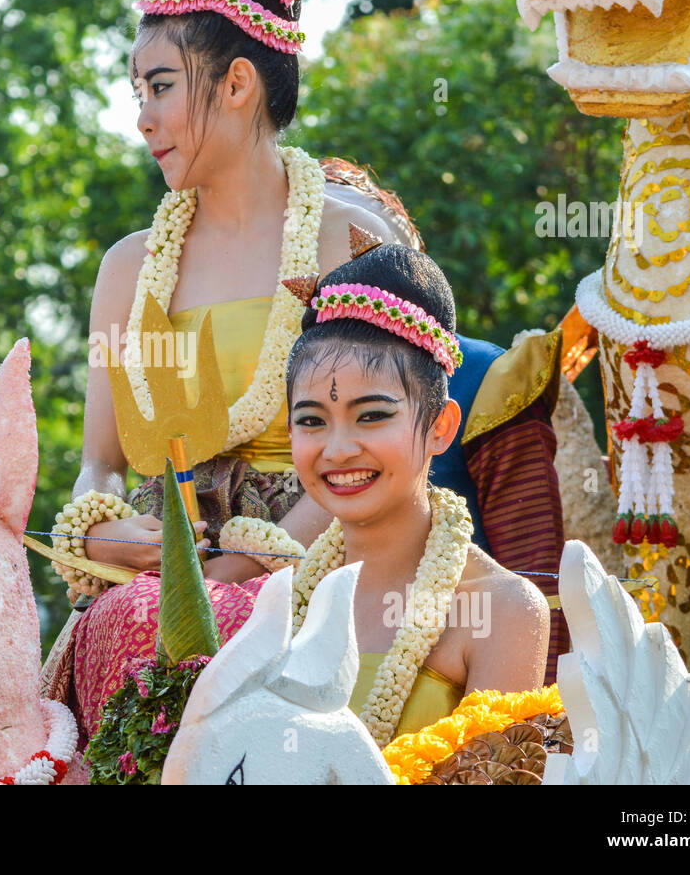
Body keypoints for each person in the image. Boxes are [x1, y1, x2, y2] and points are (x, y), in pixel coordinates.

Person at [41, 0, 568, 695]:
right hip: (156, 583)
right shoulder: (127, 268)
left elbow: (393, 433)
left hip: (324, 563)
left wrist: (245, 567)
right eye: (137, 94)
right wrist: (107, 527)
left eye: (160, 87)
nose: (142, 119)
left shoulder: (347, 237)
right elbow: (102, 458)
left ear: (237, 84)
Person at [66, 245, 550, 743]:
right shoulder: (270, 602)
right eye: (312, 421)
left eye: (373, 416)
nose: (338, 450)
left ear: (441, 427)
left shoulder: (501, 609)